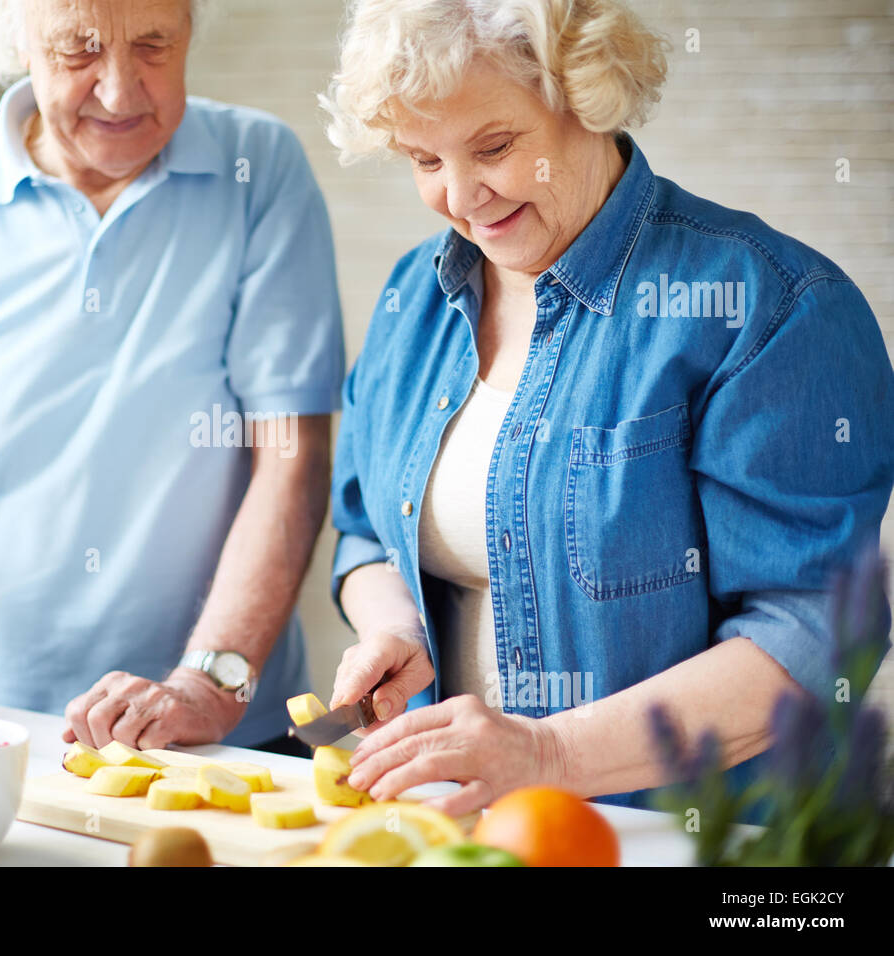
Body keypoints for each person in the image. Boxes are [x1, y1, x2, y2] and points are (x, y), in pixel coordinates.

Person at [319, 0, 894, 816]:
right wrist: (394, 630)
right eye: (422, 158)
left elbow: (806, 634)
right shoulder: (414, 296)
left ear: (588, 97)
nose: (459, 196)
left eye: (494, 146)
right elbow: (366, 534)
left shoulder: (769, 307)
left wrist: (546, 755)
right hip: (461, 828)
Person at [0, 0, 344, 754]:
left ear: (192, 26)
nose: (122, 92)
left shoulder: (259, 168)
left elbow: (290, 459)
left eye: (154, 45)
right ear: (18, 45)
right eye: (79, 50)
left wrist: (205, 685)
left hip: (216, 733)